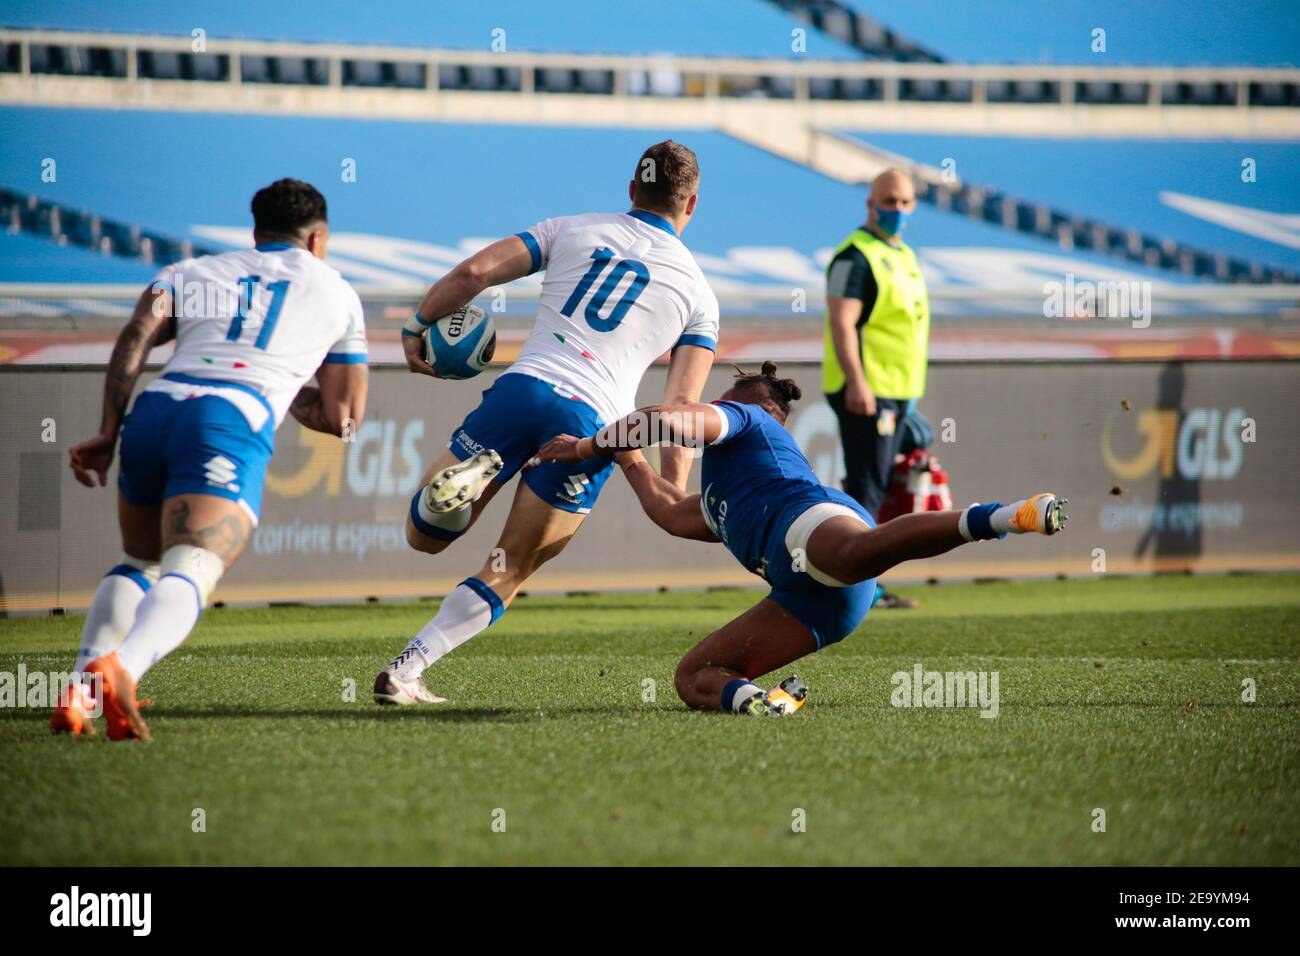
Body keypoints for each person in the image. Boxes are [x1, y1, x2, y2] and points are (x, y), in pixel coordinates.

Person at [374, 140, 718, 705]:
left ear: (632, 190)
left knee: (424, 537)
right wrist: (673, 490)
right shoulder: (700, 295)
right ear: (693, 205)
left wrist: (419, 322)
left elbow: (475, 272)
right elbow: (679, 411)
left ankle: (456, 491)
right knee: (510, 566)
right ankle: (406, 670)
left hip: (521, 389)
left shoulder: (572, 228)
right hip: (588, 428)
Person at [535, 362, 1066, 715]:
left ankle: (1005, 516)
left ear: (753, 410)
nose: (712, 413)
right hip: (812, 603)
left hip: (813, 524)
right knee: (694, 676)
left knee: (857, 554)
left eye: (719, 405)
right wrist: (625, 456)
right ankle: (759, 704)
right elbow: (671, 512)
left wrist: (586, 448)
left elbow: (660, 419)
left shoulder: (746, 419)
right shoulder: (723, 494)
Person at [54, 179, 369, 740]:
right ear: (318, 239)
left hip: (156, 408)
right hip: (228, 419)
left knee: (141, 562)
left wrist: (108, 430)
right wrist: (289, 382)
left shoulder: (193, 271)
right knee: (192, 567)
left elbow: (137, 335)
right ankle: (121, 669)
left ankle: (82, 692)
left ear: (255, 232)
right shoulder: (338, 291)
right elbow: (342, 416)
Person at [823, 168, 930, 608]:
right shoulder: (855, 256)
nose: (897, 211)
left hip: (898, 392)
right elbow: (841, 322)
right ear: (870, 204)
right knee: (867, 489)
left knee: (875, 482)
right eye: (889, 202)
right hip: (868, 392)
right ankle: (857, 583)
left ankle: (847, 573)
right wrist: (858, 382)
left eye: (904, 202)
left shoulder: (903, 254)